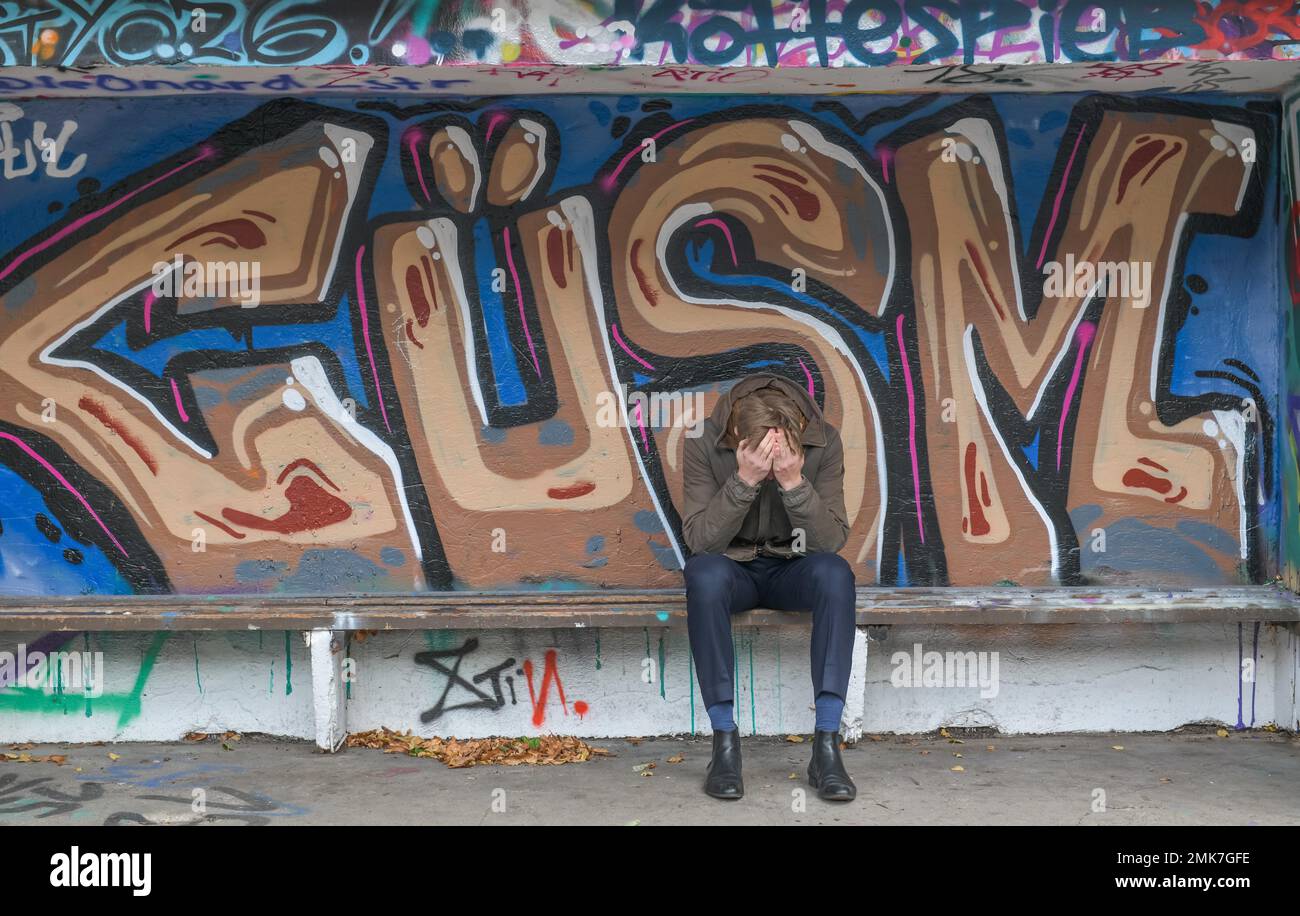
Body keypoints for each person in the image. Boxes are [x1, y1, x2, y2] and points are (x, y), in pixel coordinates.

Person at [680, 372, 858, 802]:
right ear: (738, 436)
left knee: (836, 574)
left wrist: (795, 483)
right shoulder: (704, 440)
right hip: (732, 570)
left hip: (791, 568)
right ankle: (724, 744)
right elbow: (702, 541)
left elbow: (830, 541)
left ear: (796, 432)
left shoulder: (824, 441)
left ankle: (826, 746)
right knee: (702, 574)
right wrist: (743, 481)